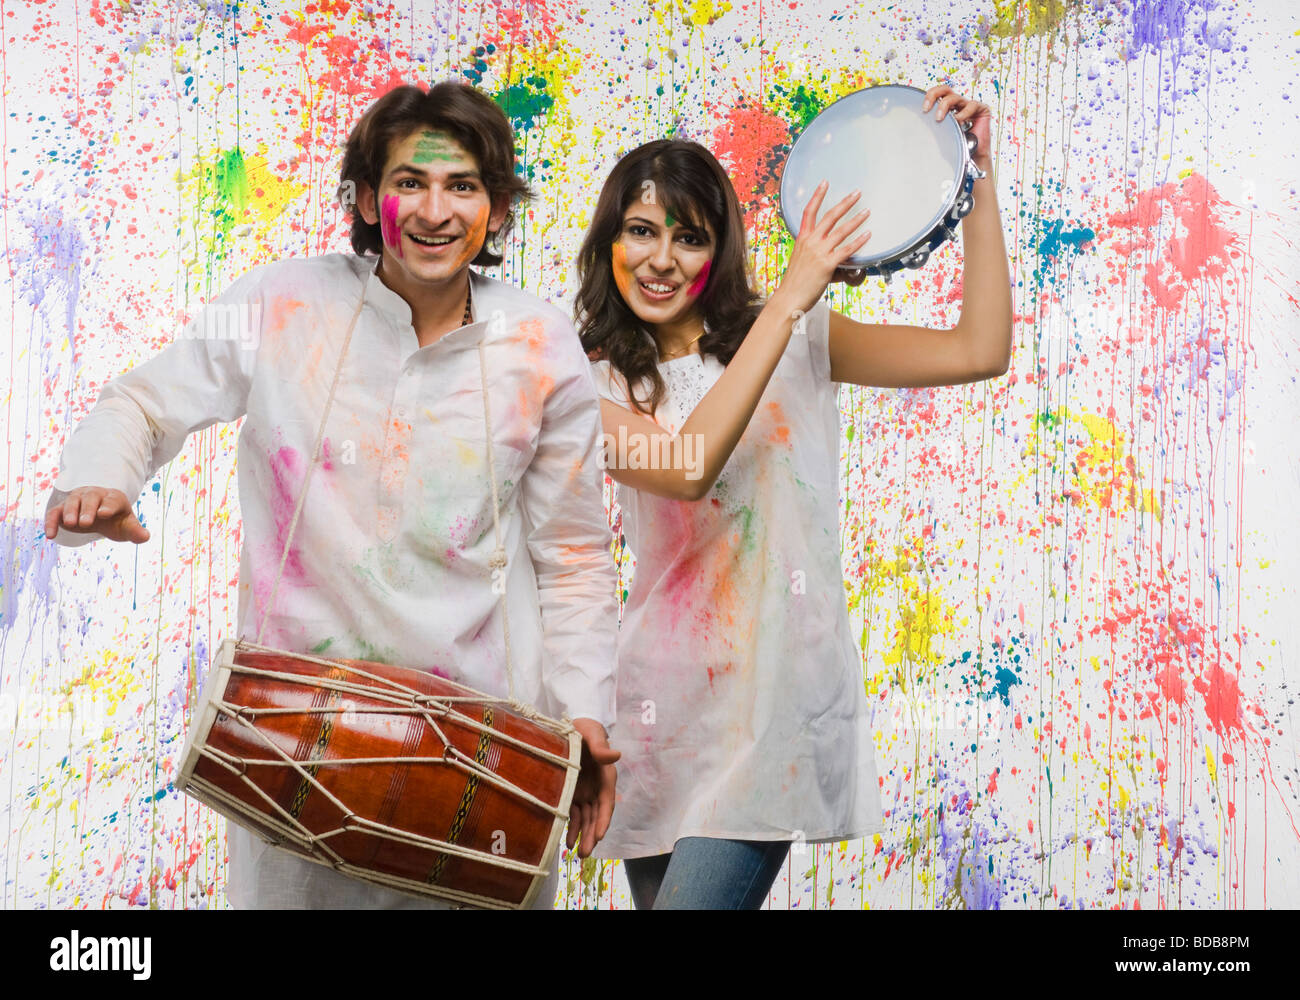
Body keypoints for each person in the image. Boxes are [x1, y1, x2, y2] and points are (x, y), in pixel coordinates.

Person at [44, 80, 620, 909]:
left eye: (463, 186)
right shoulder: (279, 300)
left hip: (481, 759)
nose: (435, 209)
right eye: (408, 183)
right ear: (363, 196)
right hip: (294, 744)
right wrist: (99, 478)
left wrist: (586, 711)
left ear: (496, 209)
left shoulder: (539, 340)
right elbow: (142, 400)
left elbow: (572, 557)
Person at [576, 85, 1011, 909]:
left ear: (718, 251)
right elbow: (687, 464)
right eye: (641, 231)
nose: (661, 259)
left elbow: (980, 348)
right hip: (657, 715)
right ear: (610, 241)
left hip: (774, 708)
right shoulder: (584, 384)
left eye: (689, 237)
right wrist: (792, 292)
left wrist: (977, 183)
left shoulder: (802, 337)